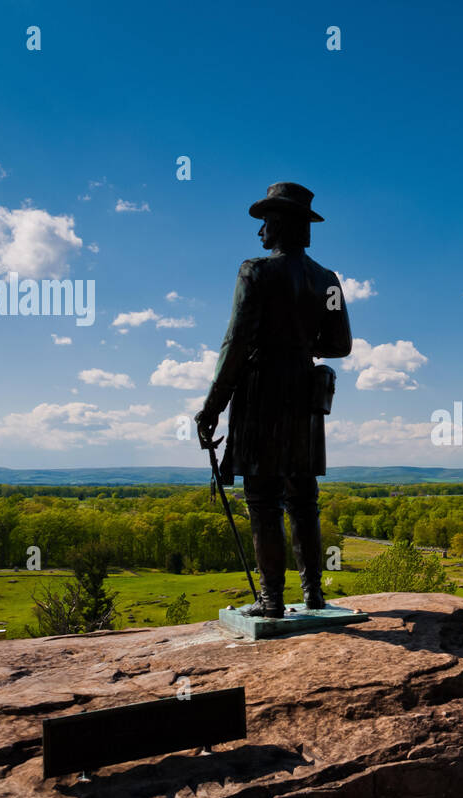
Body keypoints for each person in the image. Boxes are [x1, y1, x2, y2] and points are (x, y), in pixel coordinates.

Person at [195, 182, 352, 617]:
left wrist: (212, 408)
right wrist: (303, 341)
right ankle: (314, 594)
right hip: (304, 390)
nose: (259, 232)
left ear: (279, 224)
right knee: (304, 496)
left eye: (264, 222)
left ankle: (271, 599)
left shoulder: (256, 272)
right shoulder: (327, 281)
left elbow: (235, 341)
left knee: (263, 498)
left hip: (262, 389)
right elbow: (340, 344)